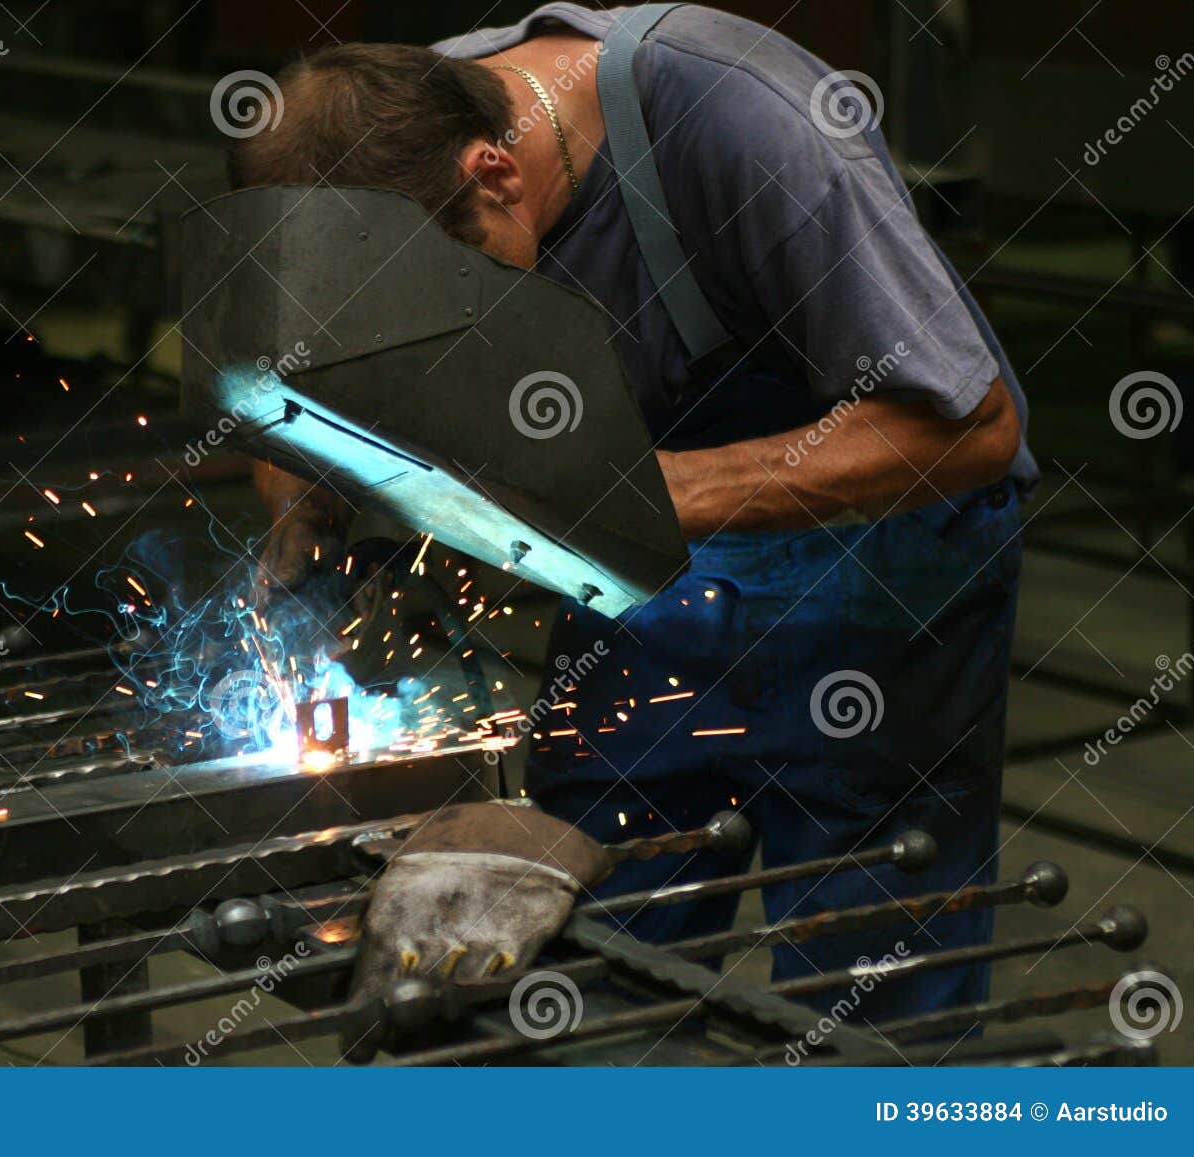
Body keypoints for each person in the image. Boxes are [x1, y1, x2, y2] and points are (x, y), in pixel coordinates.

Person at [236, 2, 1033, 1018]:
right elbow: (316, 379)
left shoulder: (744, 118)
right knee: (589, 964)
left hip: (876, 561)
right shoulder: (388, 135)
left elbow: (966, 428)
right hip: (642, 577)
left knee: (862, 985)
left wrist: (614, 501)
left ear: (494, 176)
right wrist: (307, 500)